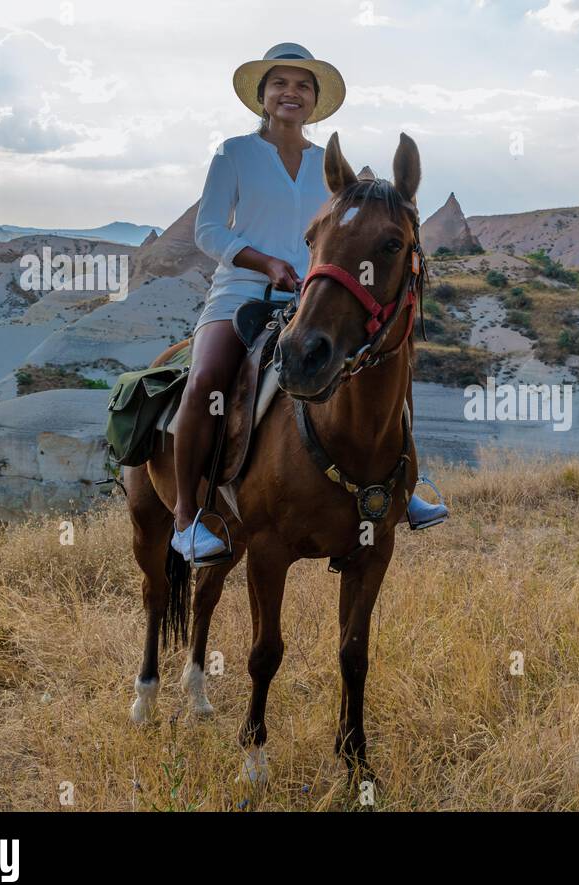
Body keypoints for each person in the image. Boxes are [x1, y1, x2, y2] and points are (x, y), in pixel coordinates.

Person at [171, 42, 447, 564]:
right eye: (279, 83)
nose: (290, 93)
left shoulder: (329, 166)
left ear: (314, 101)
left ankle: (403, 485)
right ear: (262, 96)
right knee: (206, 379)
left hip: (315, 295)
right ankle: (187, 517)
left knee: (390, 360)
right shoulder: (234, 154)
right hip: (240, 292)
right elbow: (207, 231)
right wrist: (265, 263)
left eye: (302, 86)